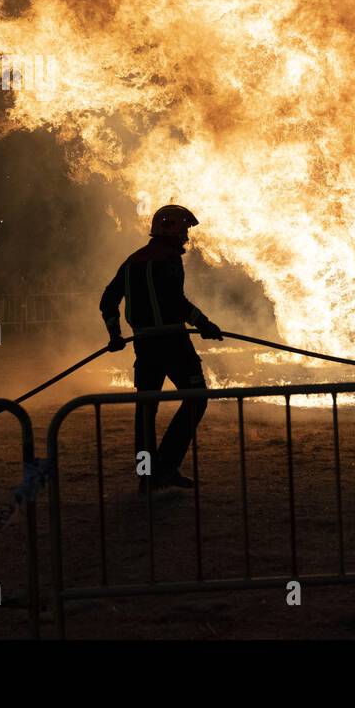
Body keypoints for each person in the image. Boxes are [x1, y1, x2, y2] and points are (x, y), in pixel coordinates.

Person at [100, 204, 225, 493]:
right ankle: (166, 467)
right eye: (183, 229)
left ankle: (147, 476)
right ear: (168, 227)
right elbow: (175, 301)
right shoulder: (168, 259)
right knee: (197, 398)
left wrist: (115, 334)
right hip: (172, 342)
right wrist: (205, 324)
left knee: (146, 410)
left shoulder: (132, 261)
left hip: (145, 346)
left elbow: (108, 300)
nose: (186, 236)